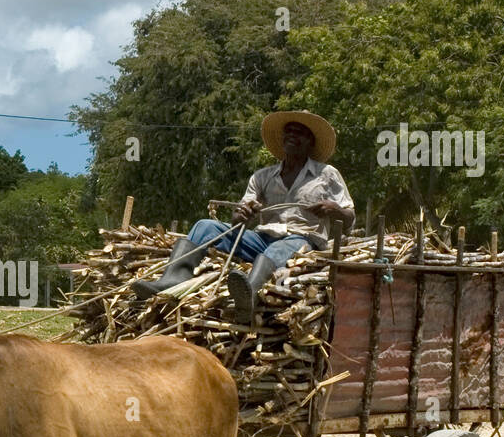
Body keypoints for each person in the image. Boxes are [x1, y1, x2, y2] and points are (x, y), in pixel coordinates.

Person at [131, 110, 355, 322]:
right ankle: (173, 278)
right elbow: (238, 218)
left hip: (303, 240)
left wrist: (333, 209)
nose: (292, 136)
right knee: (204, 226)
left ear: (310, 142)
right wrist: (242, 214)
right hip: (263, 238)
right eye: (289, 131)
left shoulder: (326, 174)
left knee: (278, 249)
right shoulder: (263, 177)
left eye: (300, 132)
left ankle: (249, 292)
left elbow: (349, 217)